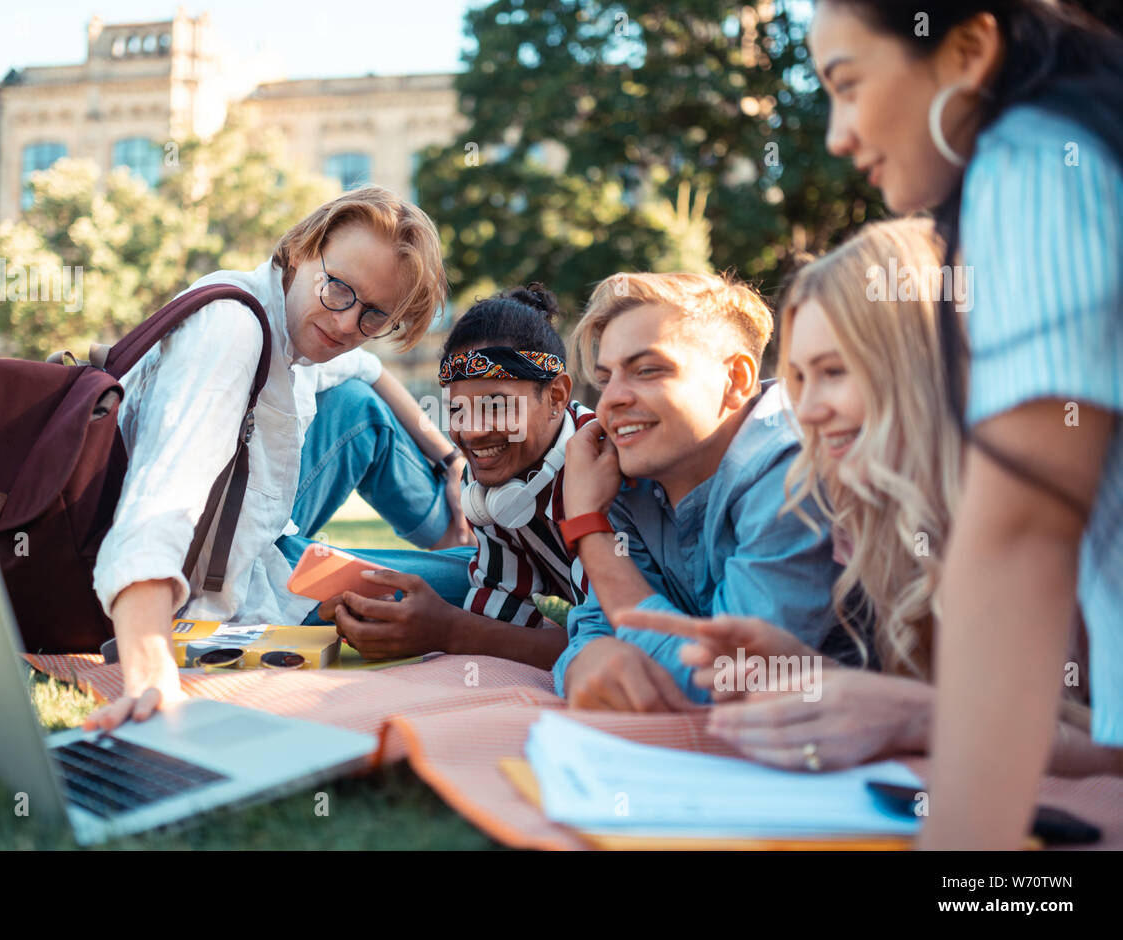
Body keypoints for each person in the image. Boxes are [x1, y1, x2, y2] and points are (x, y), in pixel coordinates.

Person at [621, 219, 1115, 777]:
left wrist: (922, 717)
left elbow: (1099, 747)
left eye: (834, 371)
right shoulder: (885, 520)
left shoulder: (1088, 511)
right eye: (800, 378)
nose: (806, 410)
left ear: (925, 365)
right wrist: (806, 674)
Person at [806, 0, 1123, 848]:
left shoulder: (1029, 157)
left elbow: (1024, 533)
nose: (836, 135)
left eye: (847, 83)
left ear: (967, 53)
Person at [84, 187, 471, 731]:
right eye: (338, 289)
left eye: (373, 316)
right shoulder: (233, 329)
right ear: (300, 248)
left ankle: (466, 532)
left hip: (261, 544)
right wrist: (150, 670)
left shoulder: (294, 324)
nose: (344, 326)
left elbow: (369, 372)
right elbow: (161, 501)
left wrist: (449, 458)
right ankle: (492, 555)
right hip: (223, 592)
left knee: (362, 409)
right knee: (474, 587)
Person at [553, 271, 850, 712]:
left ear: (735, 380)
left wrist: (589, 530)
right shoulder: (628, 477)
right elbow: (593, 631)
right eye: (605, 379)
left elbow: (729, 683)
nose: (609, 401)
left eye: (647, 370)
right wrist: (588, 661)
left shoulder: (793, 470)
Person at [327, 284, 595, 670]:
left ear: (556, 397)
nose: (470, 432)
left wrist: (450, 632)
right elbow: (499, 613)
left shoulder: (604, 469)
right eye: (457, 410)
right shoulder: (489, 479)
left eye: (497, 405)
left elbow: (613, 646)